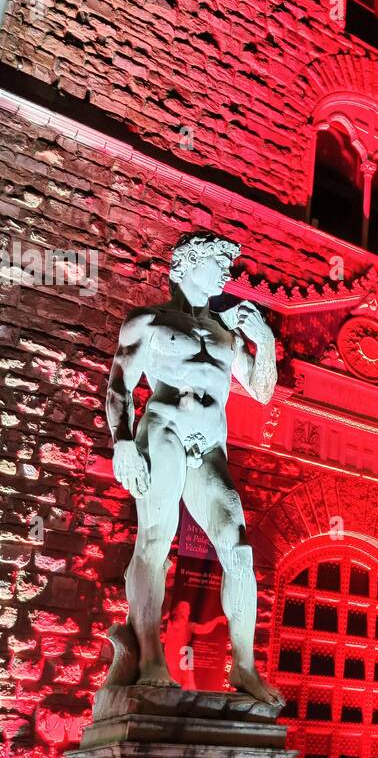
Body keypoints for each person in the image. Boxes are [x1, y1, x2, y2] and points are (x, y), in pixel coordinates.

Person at [105, 232, 280, 705]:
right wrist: (123, 444)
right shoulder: (150, 321)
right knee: (156, 539)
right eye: (218, 265)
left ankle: (243, 666)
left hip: (210, 443)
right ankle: (149, 657)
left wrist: (262, 339)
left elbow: (263, 390)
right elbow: (120, 385)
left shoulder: (226, 330)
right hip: (163, 428)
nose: (227, 274)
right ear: (186, 265)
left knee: (238, 548)